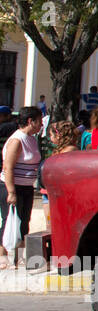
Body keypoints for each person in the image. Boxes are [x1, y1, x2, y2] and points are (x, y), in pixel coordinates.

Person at [1, 107, 42, 269]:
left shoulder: (31, 138)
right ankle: (2, 255)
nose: (41, 125)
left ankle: (18, 257)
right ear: (30, 121)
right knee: (9, 220)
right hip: (12, 186)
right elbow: (8, 167)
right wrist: (11, 192)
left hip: (26, 187)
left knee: (24, 222)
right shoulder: (17, 140)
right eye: (39, 121)